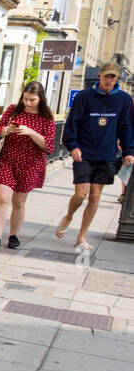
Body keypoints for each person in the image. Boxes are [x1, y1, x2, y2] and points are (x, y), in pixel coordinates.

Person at [54, 62, 134, 252]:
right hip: (84, 153)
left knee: (95, 196)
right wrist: (73, 146)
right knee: (81, 194)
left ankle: (81, 236)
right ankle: (68, 216)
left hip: (106, 154)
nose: (109, 80)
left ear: (118, 79)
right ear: (99, 75)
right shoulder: (84, 96)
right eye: (106, 76)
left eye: (113, 77)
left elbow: (126, 127)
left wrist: (129, 151)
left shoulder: (123, 99)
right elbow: (73, 123)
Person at [0, 80, 55, 250]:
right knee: (3, 198)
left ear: (41, 99)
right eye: (25, 99)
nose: (28, 103)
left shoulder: (46, 118)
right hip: (7, 159)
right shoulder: (13, 110)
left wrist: (31, 132)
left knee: (19, 203)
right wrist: (7, 130)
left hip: (30, 164)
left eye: (32, 100)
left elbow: (49, 146)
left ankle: (14, 235)